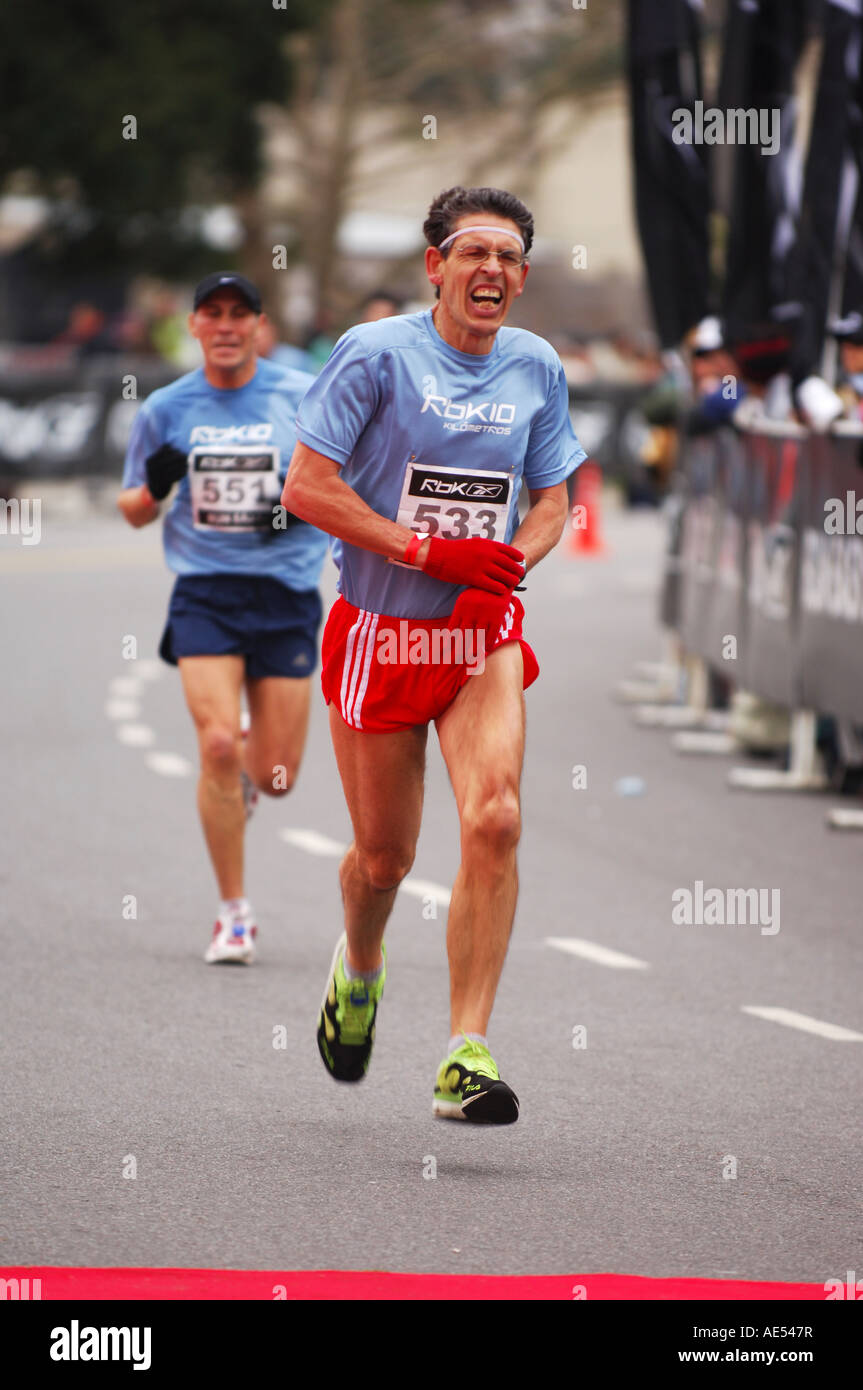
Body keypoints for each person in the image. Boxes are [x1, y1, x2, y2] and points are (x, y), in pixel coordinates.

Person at [282, 186, 586, 1124]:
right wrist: (424, 550)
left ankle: (465, 1052)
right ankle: (360, 968)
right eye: (472, 252)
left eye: (507, 257)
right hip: (380, 631)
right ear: (436, 267)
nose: (490, 269)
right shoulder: (375, 357)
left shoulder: (535, 367)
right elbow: (306, 489)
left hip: (479, 636)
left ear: (522, 278)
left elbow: (549, 501)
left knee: (493, 818)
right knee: (384, 859)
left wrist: (506, 564)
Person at [117, 272, 329, 964]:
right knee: (214, 743)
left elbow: (342, 483)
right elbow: (131, 509)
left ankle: (241, 773)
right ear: (196, 326)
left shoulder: (302, 397)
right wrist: (156, 486)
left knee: (274, 777)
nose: (228, 325)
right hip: (205, 592)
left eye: (241, 313)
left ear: (260, 327)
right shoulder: (167, 407)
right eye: (214, 314)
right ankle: (233, 913)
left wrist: (291, 508)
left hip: (285, 596)